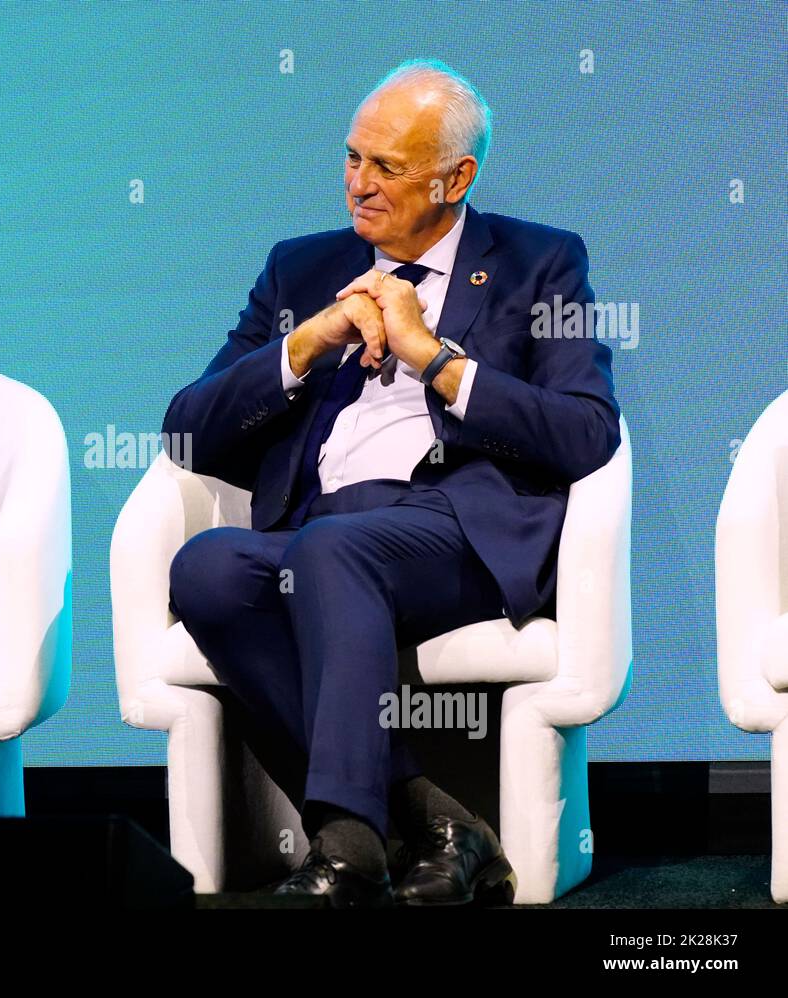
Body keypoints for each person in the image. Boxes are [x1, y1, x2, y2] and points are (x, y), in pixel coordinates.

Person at [163, 59, 620, 907]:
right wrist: (306, 345)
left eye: (386, 167)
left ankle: (343, 844)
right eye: (350, 158)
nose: (358, 185)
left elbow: (587, 433)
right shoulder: (301, 270)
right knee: (207, 568)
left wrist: (433, 358)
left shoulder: (538, 262)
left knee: (337, 550)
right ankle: (440, 824)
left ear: (457, 178)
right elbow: (188, 431)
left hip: (455, 526)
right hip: (319, 528)